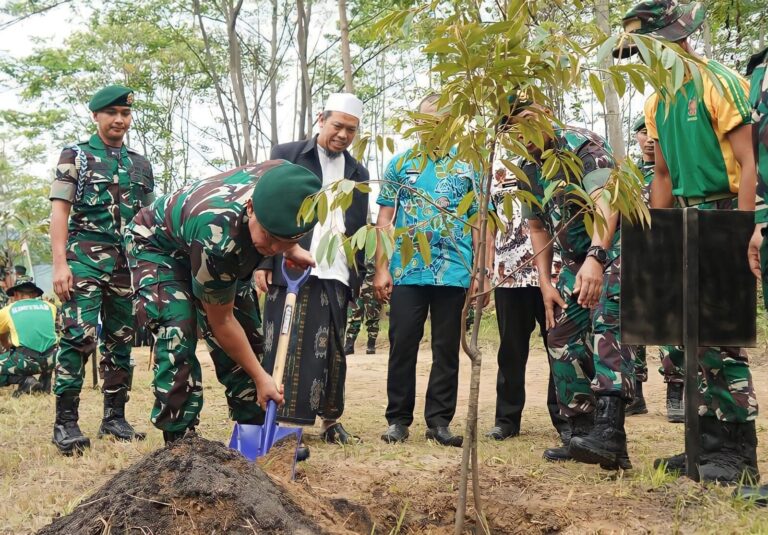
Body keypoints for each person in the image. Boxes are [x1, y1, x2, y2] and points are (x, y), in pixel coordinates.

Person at [619, 0, 759, 483]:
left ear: (673, 41)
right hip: (683, 216)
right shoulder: (657, 100)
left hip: (726, 210)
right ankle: (703, 444)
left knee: (719, 335)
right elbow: (660, 172)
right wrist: (658, 239)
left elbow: (748, 165)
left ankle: (738, 450)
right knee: (683, 338)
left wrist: (745, 232)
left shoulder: (718, 81)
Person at [125, 160, 321, 444]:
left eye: (284, 240)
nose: (273, 250)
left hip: (219, 244)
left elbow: (281, 223)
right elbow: (221, 322)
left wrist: (292, 245)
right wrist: (261, 377)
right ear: (251, 207)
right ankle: (181, 440)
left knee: (249, 335)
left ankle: (254, 428)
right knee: (178, 329)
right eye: (269, 236)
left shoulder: (287, 181)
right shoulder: (219, 238)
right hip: (156, 247)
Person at [512, 99, 633, 471]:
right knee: (561, 338)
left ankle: (610, 435)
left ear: (547, 113)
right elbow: (537, 227)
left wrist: (597, 258)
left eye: (528, 122)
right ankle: (579, 433)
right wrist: (546, 282)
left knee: (606, 330)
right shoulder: (528, 168)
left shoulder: (582, 147)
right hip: (575, 262)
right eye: (513, 130)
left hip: (614, 251)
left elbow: (604, 203)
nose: (523, 135)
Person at [374, 93, 491, 448]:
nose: (432, 128)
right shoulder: (400, 163)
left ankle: (439, 422)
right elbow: (384, 219)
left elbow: (479, 220)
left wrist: (481, 270)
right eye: (425, 121)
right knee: (402, 344)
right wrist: (381, 268)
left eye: (440, 121)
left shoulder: (471, 164)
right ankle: (398, 420)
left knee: (446, 348)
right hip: (407, 270)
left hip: (454, 270)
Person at [256, 93, 369, 454]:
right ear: (321, 119)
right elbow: (263, 204)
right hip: (291, 261)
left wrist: (358, 275)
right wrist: (263, 262)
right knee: (284, 340)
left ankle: (331, 420)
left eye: (350, 130)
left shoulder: (357, 173)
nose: (342, 135)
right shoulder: (288, 154)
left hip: (337, 268)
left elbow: (359, 228)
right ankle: (280, 416)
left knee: (333, 346)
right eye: (337, 126)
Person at [49, 85, 154, 455]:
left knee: (121, 340)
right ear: (96, 116)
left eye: (125, 114)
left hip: (127, 265)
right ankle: (66, 423)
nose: (119, 120)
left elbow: (147, 218)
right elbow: (59, 211)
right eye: (111, 113)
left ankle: (114, 417)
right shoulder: (75, 155)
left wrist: (150, 266)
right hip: (84, 261)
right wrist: (60, 265)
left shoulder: (140, 164)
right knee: (77, 338)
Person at [486, 164, 568, 441]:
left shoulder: (555, 163)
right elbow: (487, 224)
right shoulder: (495, 169)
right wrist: (487, 272)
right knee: (510, 350)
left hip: (554, 273)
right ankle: (506, 420)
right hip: (508, 275)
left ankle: (566, 418)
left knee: (559, 347)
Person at [626, 115, 685, 421]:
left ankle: (675, 394)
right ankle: (634, 395)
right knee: (633, 327)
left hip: (669, 259)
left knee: (669, 329)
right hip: (635, 258)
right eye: (642, 133)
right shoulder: (628, 175)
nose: (648, 139)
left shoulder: (674, 168)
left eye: (653, 133)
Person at [0, 276, 57, 397]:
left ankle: (25, 381)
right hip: (52, 360)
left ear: (15, 294)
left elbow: (2, 334)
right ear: (35, 293)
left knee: (18, 357)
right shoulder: (50, 307)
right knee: (46, 346)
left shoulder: (7, 310)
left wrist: (7, 345)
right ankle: (44, 383)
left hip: (25, 361)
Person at [344, 258, 382, 355]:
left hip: (373, 279)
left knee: (373, 312)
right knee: (354, 312)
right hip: (358, 279)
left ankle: (371, 344)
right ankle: (349, 344)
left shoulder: (379, 244)